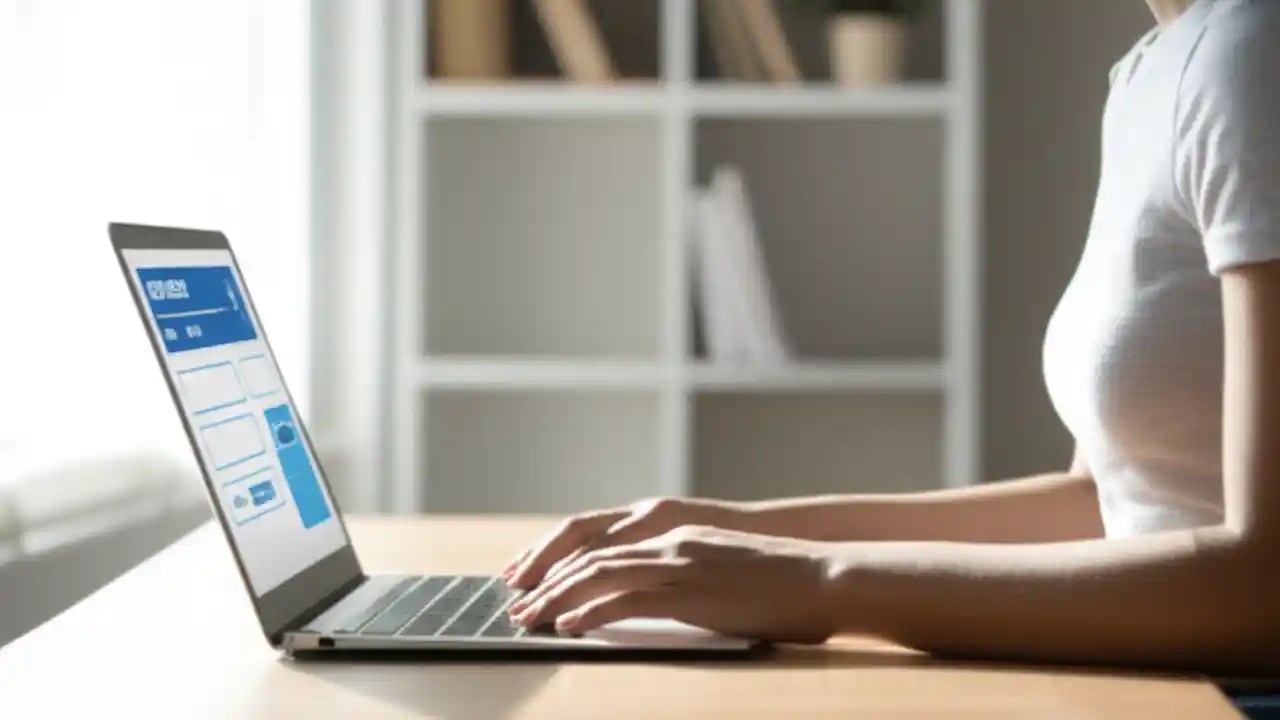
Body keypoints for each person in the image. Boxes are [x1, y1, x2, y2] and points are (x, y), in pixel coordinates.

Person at [503, 0, 1280, 673]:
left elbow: (1262, 585)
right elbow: (1107, 503)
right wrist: (739, 534)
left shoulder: (1251, 55)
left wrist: (822, 582)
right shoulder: (1154, 67)